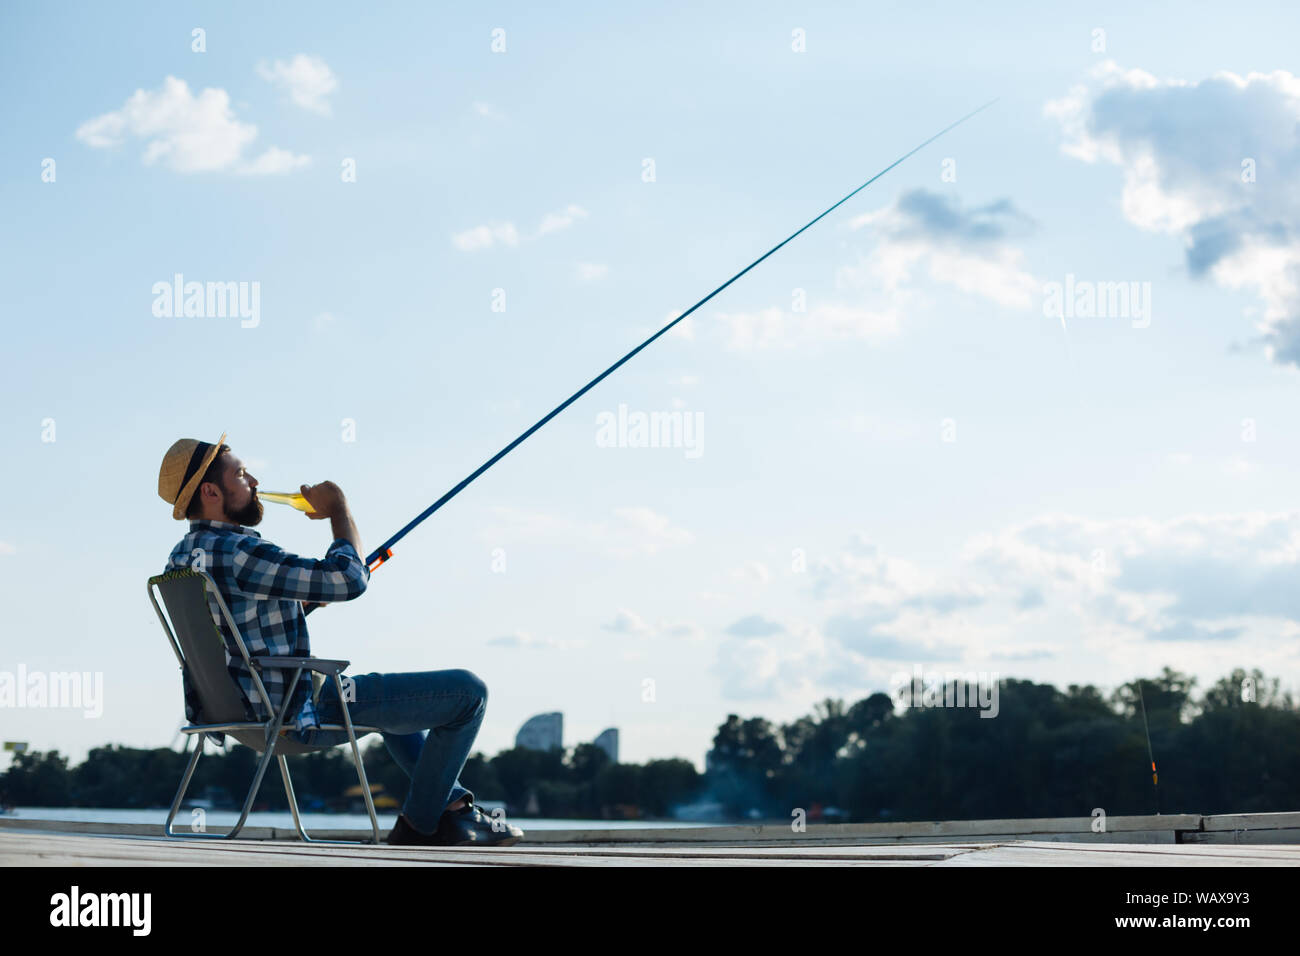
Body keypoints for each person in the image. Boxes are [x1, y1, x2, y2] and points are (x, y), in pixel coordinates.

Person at [156, 432, 523, 847]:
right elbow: (349, 579)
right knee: (468, 693)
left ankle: (453, 807)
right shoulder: (239, 551)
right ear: (211, 491)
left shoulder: (183, 556)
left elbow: (233, 626)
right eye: (241, 474)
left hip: (237, 715)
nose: (254, 481)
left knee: (394, 707)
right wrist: (339, 510)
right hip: (294, 714)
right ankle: (422, 825)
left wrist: (300, 606)